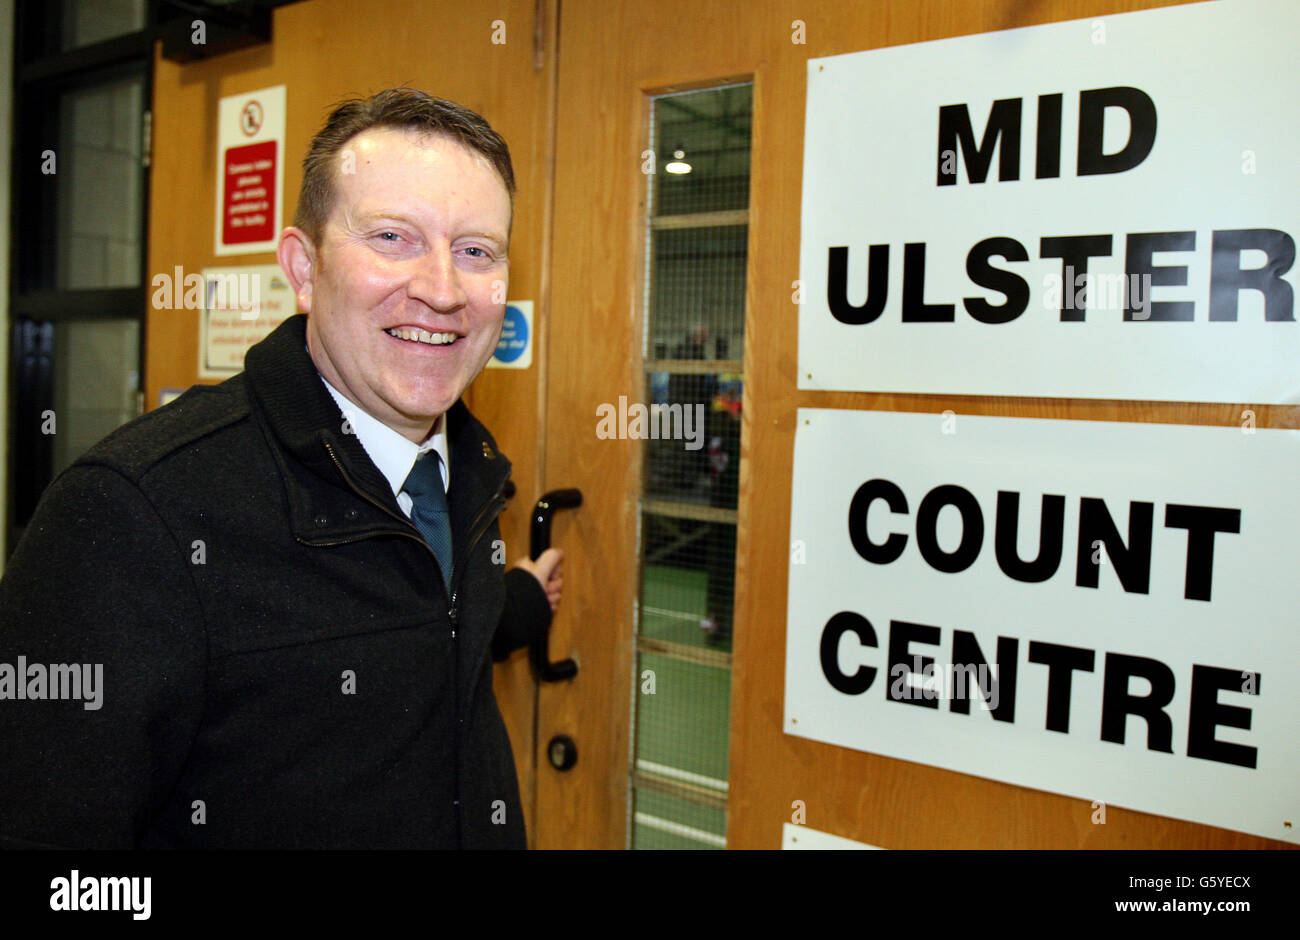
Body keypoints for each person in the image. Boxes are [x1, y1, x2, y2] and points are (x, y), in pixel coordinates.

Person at [0, 89, 562, 849]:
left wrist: (516, 597)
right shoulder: (136, 514)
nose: (441, 288)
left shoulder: (469, 476)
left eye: (475, 250)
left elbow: (421, 628)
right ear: (303, 267)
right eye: (393, 237)